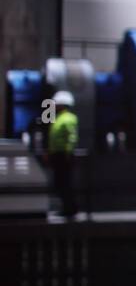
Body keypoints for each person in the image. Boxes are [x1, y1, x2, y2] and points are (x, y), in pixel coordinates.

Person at [47, 90, 79, 219]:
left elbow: (71, 137)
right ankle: (66, 208)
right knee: (60, 182)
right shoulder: (58, 118)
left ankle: (70, 209)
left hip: (64, 155)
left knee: (65, 182)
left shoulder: (69, 118)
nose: (54, 105)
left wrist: (68, 152)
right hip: (57, 154)